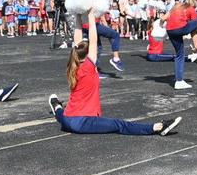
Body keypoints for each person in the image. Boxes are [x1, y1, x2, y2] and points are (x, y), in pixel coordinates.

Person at [48, 9, 182, 135]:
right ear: (88, 53)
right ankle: (157, 127)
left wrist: (77, 16)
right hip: (82, 122)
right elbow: (93, 40)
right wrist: (90, 15)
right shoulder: (88, 66)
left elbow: (77, 41)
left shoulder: (74, 65)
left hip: (67, 119)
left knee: (62, 114)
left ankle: (56, 106)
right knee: (119, 125)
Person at [161, 0, 197, 90]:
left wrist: (160, 23)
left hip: (170, 30)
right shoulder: (192, 10)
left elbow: (164, 18)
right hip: (180, 29)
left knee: (179, 55)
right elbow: (193, 31)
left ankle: (179, 81)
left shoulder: (177, 5)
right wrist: (196, 45)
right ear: (196, 1)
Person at [87, 0, 125, 72]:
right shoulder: (97, 1)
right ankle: (115, 59)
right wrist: (108, 30)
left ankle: (94, 71)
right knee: (115, 35)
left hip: (89, 25)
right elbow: (102, 18)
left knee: (97, 48)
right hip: (92, 25)